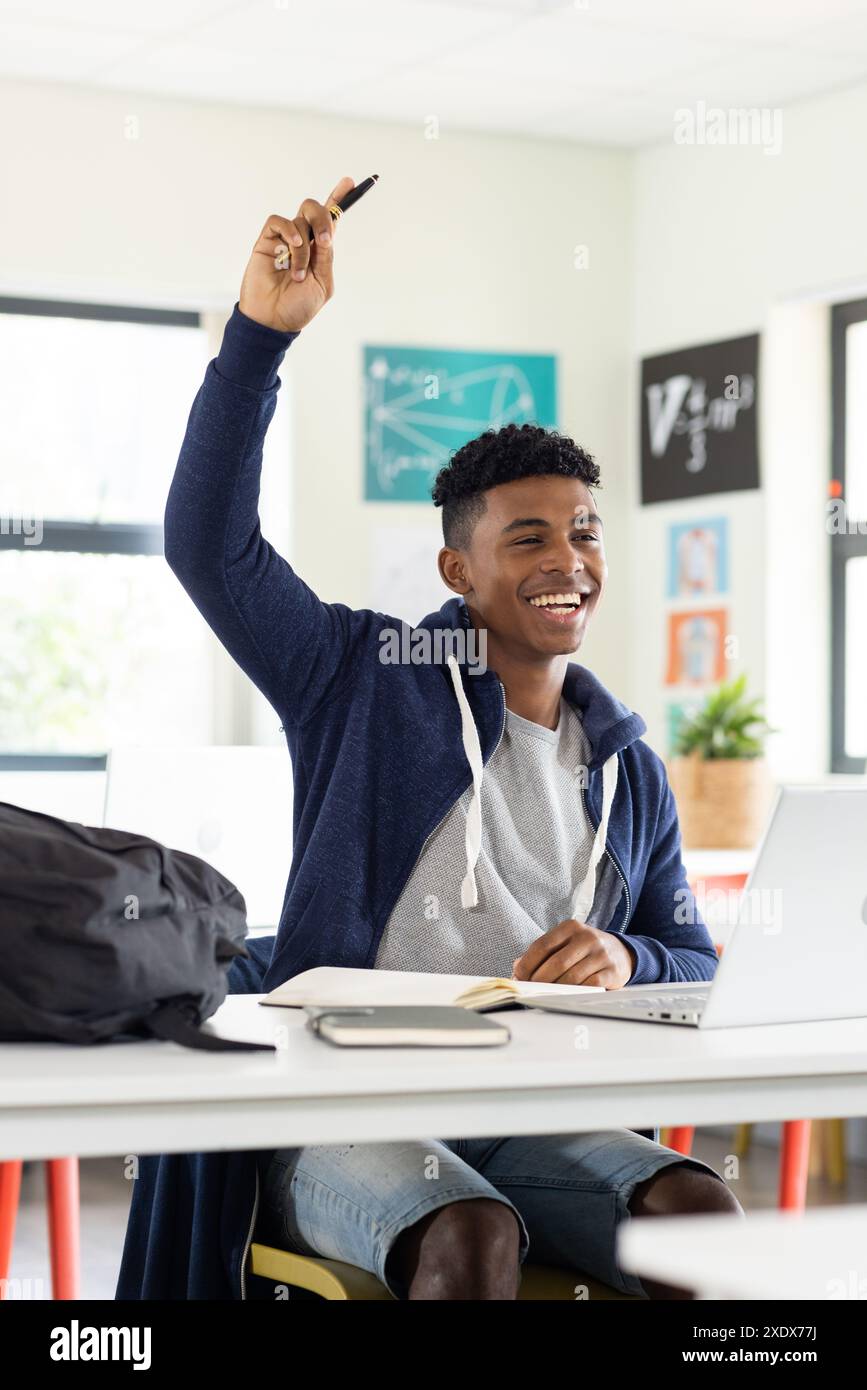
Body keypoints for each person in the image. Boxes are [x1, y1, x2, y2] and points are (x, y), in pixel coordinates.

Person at [133, 177, 742, 1302]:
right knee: (469, 1234)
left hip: (532, 1120)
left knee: (697, 1215)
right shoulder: (358, 679)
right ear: (458, 569)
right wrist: (259, 337)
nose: (570, 559)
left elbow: (696, 959)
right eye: (529, 537)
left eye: (585, 532)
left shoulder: (628, 767)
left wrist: (630, 959)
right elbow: (206, 547)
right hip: (343, 1120)